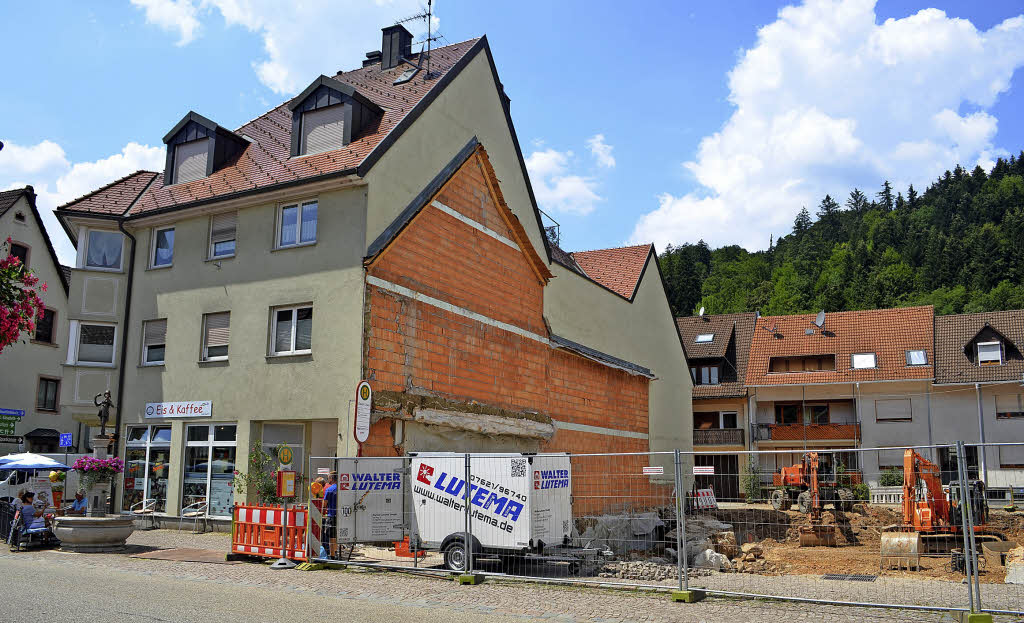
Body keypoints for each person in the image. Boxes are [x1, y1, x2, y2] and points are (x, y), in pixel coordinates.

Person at [322, 472, 338, 558]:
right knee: (338, 535)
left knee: (331, 536)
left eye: (329, 478)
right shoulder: (342, 489)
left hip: (331, 515)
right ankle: (336, 553)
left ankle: (332, 556)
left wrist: (321, 513)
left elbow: (324, 504)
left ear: (331, 479)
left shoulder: (329, 489)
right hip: (341, 516)